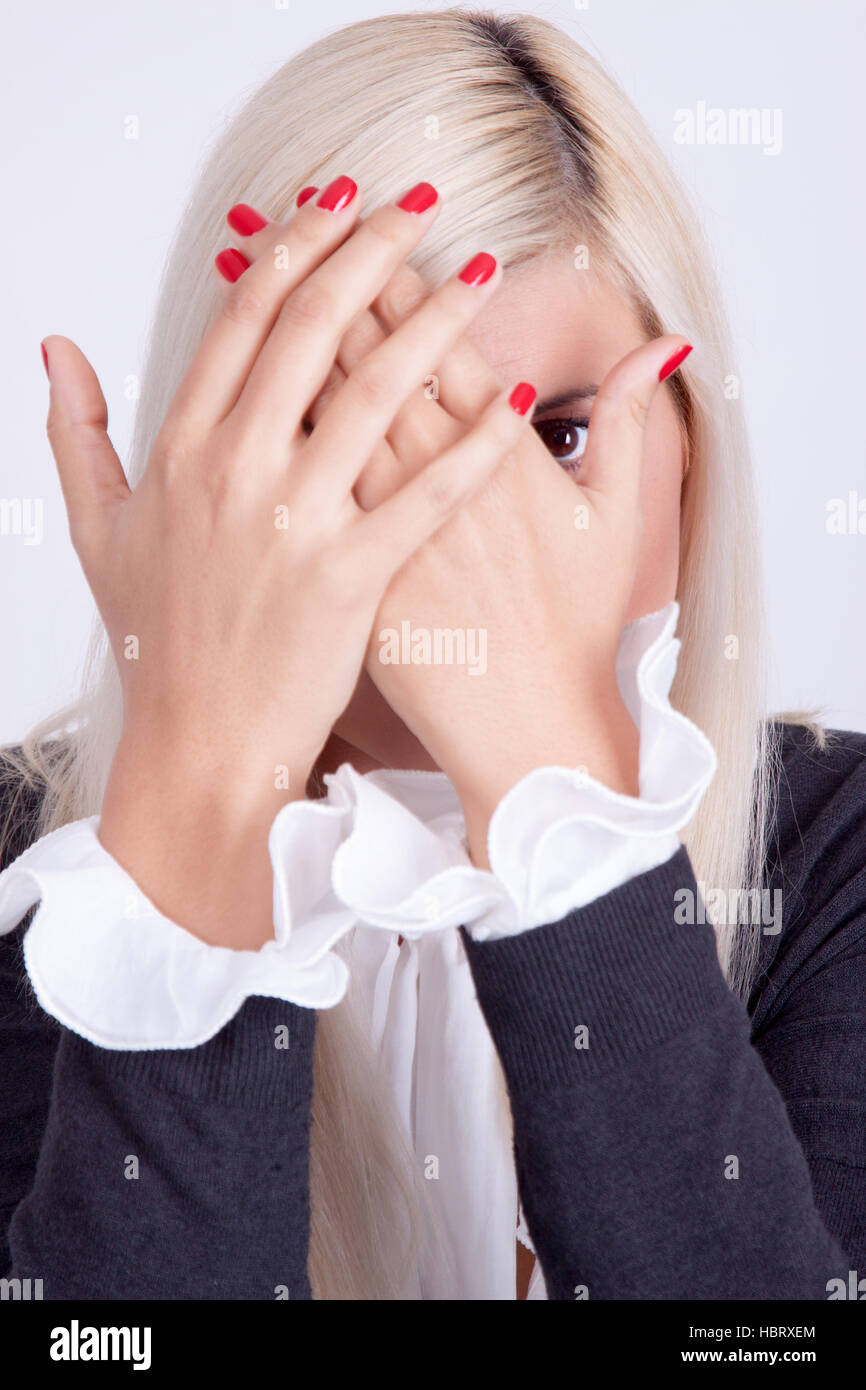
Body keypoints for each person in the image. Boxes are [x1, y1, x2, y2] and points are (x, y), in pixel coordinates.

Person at [0, 9, 863, 1301]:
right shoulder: (39, 883)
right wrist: (201, 809)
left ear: (689, 443)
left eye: (555, 440)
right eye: (344, 436)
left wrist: (563, 825)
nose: (456, 548)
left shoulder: (834, 849)